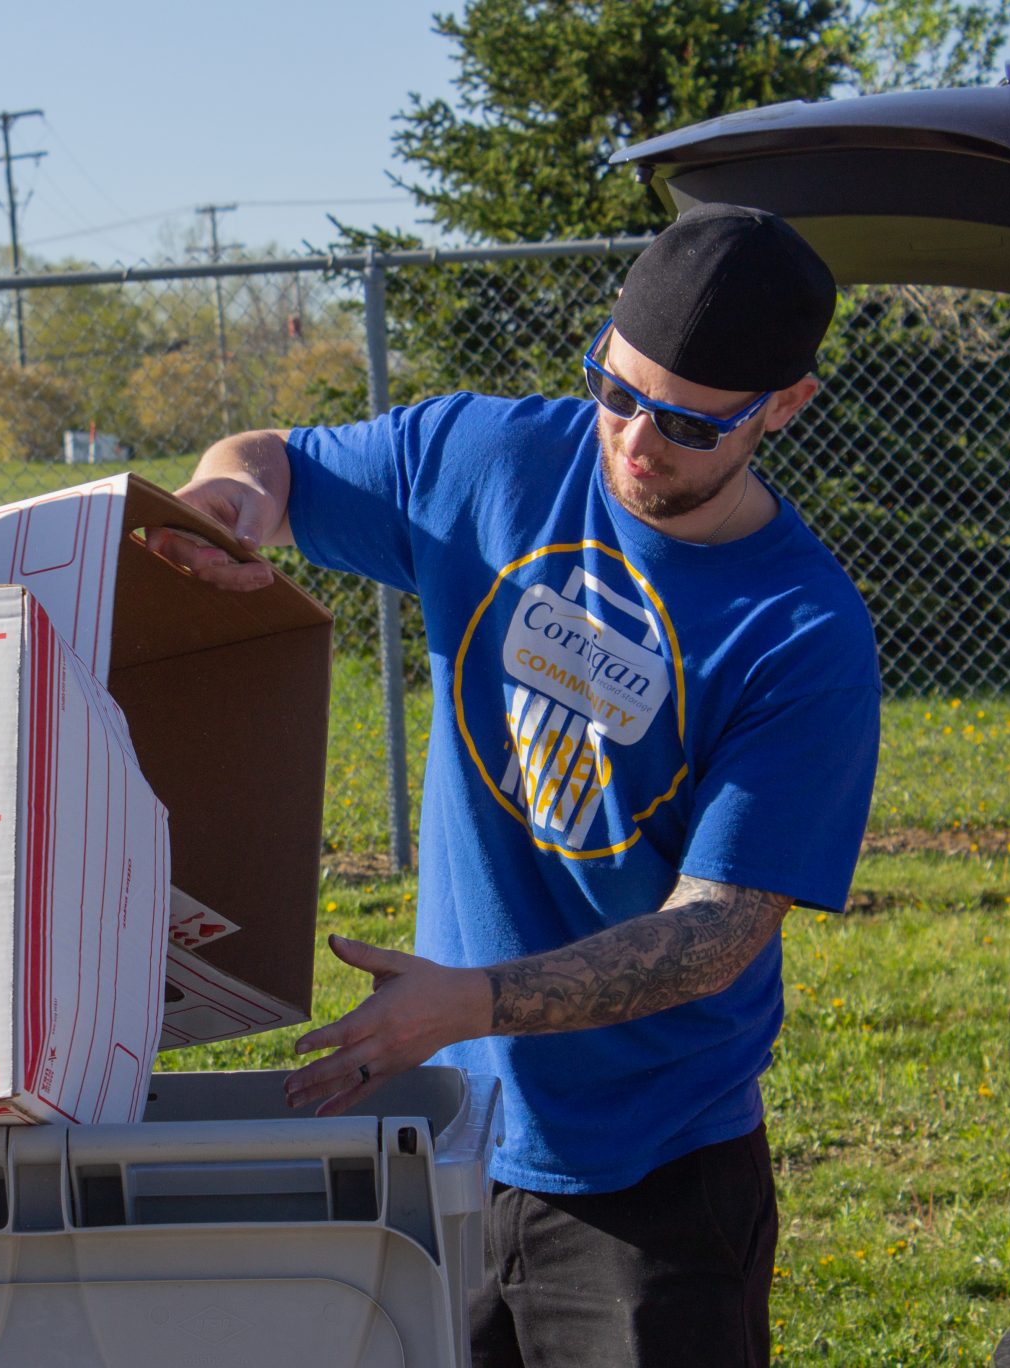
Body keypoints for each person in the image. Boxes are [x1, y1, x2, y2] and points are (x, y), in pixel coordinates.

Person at [156, 204, 881, 1368]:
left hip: (652, 1173)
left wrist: (470, 1003)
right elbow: (274, 460)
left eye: (690, 422)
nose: (637, 443)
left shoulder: (799, 631)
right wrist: (233, 492)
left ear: (782, 407)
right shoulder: (489, 461)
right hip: (448, 1143)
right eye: (618, 390)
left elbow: (713, 933)